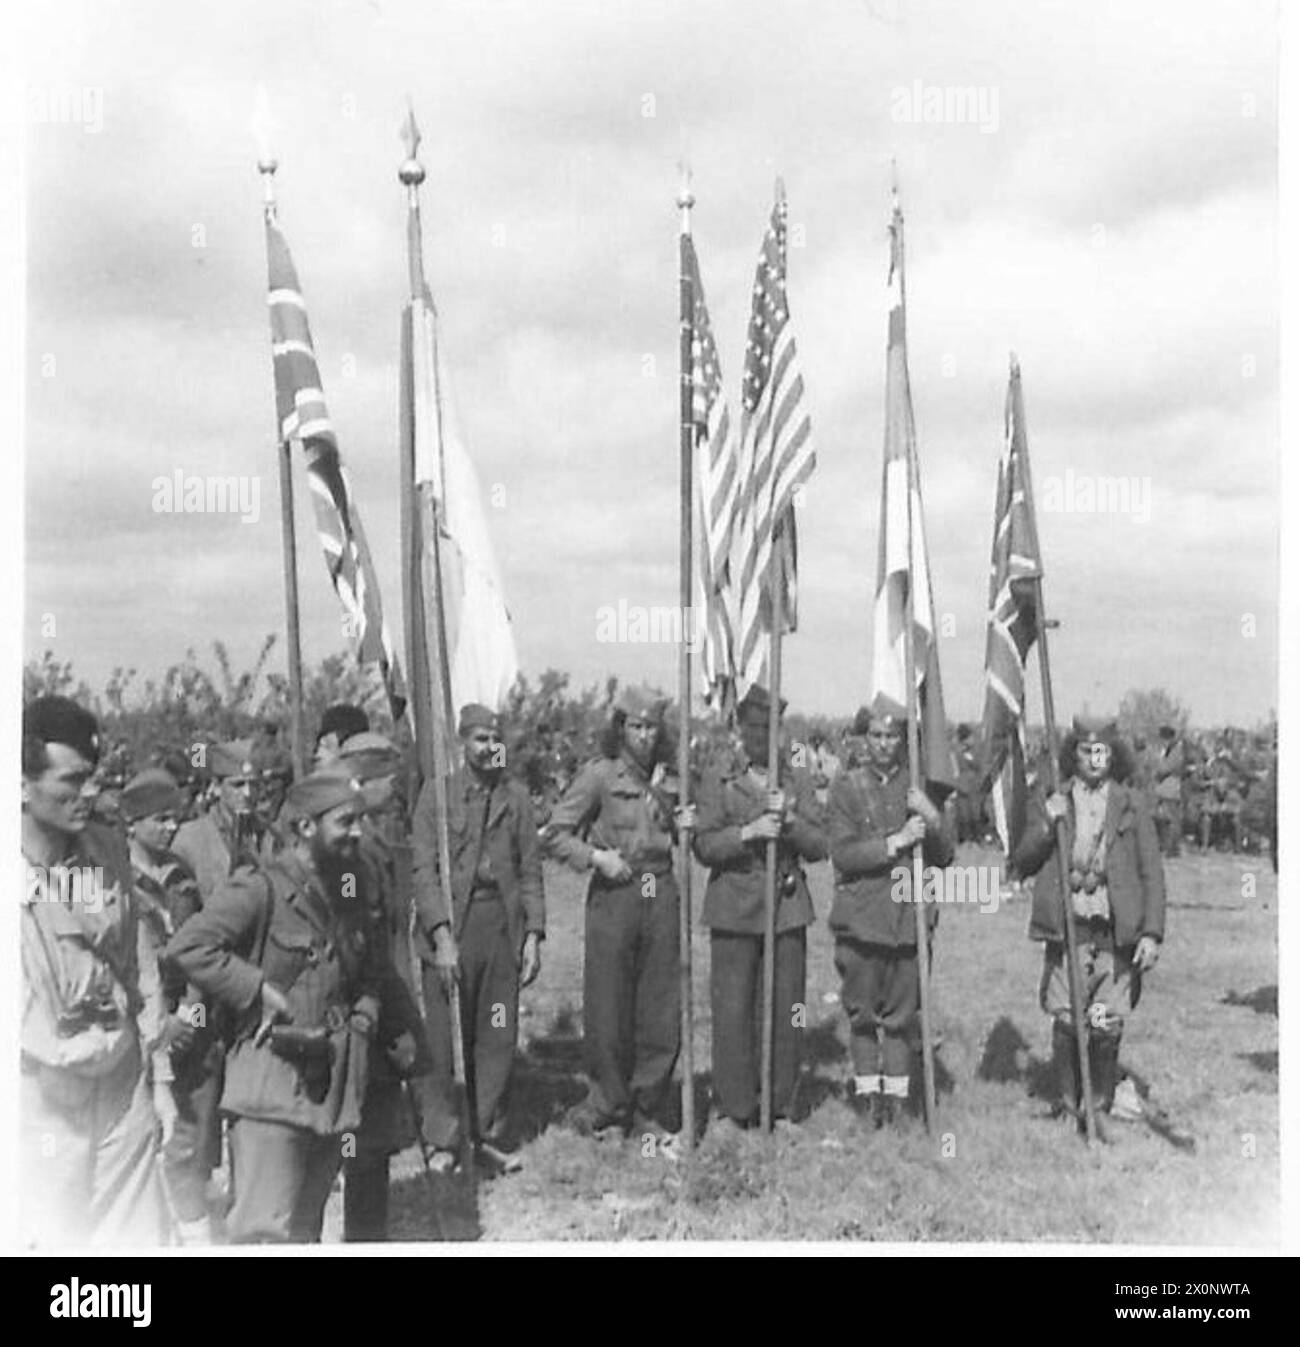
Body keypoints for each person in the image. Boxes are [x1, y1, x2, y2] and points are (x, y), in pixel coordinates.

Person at [167, 770, 394, 1243]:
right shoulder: (260, 887)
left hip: (331, 1084)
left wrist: (367, 1013)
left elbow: (370, 963)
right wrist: (256, 989)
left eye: (360, 821)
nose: (357, 832)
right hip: (270, 1084)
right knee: (262, 1232)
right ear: (306, 828)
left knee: (306, 1229)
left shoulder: (349, 885)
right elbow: (189, 947)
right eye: (345, 822)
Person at [20, 695, 170, 1247]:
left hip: (119, 1074)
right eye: (72, 780)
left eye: (93, 778)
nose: (90, 793)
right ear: (20, 784)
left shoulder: (106, 851)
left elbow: (139, 966)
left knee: (132, 1238)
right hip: (37, 1087)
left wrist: (162, 1080)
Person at [545, 686, 683, 1139]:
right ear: (620, 728)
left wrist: (688, 821)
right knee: (609, 1003)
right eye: (636, 726)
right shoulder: (599, 776)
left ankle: (649, 1104)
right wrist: (597, 858)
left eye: (651, 728)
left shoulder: (673, 777)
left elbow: (692, 826)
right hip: (615, 892)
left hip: (658, 887)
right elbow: (554, 834)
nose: (644, 735)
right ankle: (606, 1100)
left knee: (658, 1004)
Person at [1012, 717, 1165, 1124]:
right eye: (1085, 751)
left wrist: (1151, 932)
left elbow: (1152, 872)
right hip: (1070, 927)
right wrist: (1047, 822)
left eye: (1102, 752)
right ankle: (1066, 1100)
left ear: (1113, 756)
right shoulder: (1054, 798)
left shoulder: (1131, 804)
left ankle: (1098, 1103)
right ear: (1073, 755)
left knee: (1105, 1017)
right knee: (1066, 1015)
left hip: (1115, 931)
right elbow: (1021, 863)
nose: (1094, 759)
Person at [413, 704, 546, 1167]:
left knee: (495, 1033)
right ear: (460, 743)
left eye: (495, 738)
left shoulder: (517, 798)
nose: (489, 748)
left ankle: (483, 1130)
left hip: (500, 929)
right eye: (479, 739)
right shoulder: (437, 796)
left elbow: (531, 871)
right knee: (444, 1037)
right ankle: (443, 1139)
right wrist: (441, 936)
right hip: (453, 928)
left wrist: (533, 935)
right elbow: (423, 872)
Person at [694, 684, 827, 1133]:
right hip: (733, 908)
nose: (760, 737)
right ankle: (734, 1108)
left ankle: (779, 1106)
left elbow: (820, 845)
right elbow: (704, 845)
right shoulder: (718, 775)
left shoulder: (796, 778)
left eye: (769, 728)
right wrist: (749, 833)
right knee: (732, 1010)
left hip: (786, 908)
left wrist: (789, 821)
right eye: (752, 727)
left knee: (786, 1008)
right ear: (739, 729)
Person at [827, 702, 954, 1127]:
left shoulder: (917, 788)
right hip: (862, 919)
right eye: (876, 736)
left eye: (892, 736)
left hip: (908, 918)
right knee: (863, 1015)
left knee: (900, 1018)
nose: (884, 745)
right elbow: (842, 853)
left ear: (903, 740)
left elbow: (946, 855)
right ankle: (868, 1101)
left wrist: (931, 817)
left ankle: (898, 1103)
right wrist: (896, 841)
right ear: (865, 739)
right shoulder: (847, 787)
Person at [121, 768, 216, 1244]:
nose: (170, 828)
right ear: (132, 824)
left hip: (190, 1024)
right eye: (159, 820)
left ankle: (196, 1235)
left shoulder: (182, 878)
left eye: (174, 819)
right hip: (140, 1026)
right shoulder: (114, 878)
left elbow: (203, 956)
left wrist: (191, 1018)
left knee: (193, 1140)